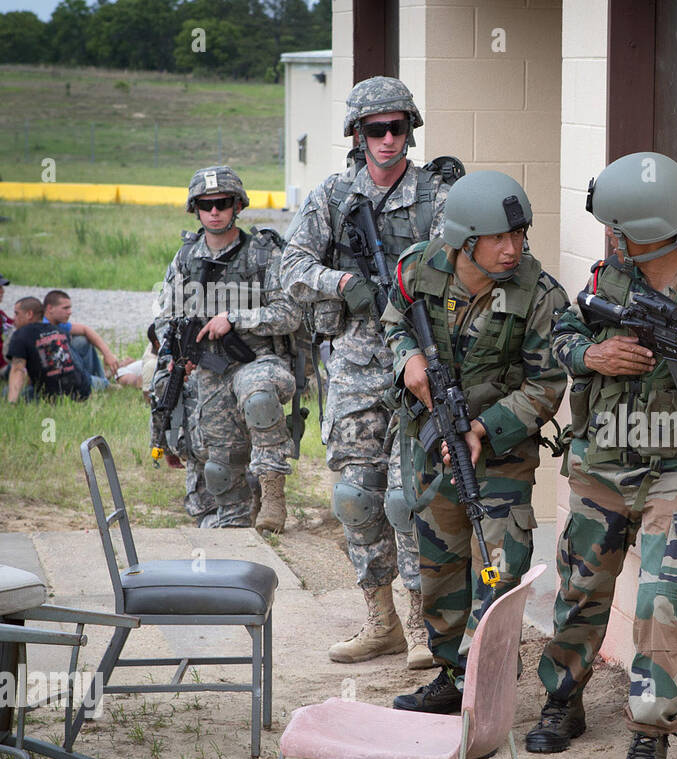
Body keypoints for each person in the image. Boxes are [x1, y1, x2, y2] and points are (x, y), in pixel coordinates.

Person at [526, 152, 677, 759]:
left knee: (659, 602)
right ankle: (562, 698)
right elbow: (561, 336)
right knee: (582, 586)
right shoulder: (606, 280)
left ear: (647, 227)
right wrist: (594, 354)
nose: (610, 236)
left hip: (676, 470)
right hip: (602, 466)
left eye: (617, 226)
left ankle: (650, 744)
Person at [281, 75, 462, 670]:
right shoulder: (334, 196)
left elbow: (452, 269)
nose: (388, 138)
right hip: (356, 365)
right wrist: (343, 283)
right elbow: (291, 267)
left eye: (398, 127)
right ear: (357, 135)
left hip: (414, 358)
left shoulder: (437, 195)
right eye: (375, 128)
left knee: (406, 499)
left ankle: (418, 624)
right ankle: (378, 619)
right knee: (357, 497)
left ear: (410, 129)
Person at [382, 170, 567, 712]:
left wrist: (485, 429)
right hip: (431, 442)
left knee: (499, 569)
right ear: (465, 240)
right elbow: (395, 322)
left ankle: (485, 685)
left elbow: (547, 384)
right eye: (499, 238)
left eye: (520, 234)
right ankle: (448, 674)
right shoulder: (421, 266)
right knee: (439, 563)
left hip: (501, 454)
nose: (514, 248)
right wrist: (407, 359)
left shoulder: (539, 295)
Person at [152, 165, 306, 532]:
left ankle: (272, 493)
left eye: (222, 203)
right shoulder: (185, 259)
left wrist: (234, 319)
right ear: (196, 209)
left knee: (258, 396)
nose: (215, 211)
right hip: (206, 367)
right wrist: (175, 356)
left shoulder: (263, 254)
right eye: (206, 205)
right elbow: (165, 317)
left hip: (257, 359)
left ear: (237, 205)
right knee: (218, 468)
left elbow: (290, 313)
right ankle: (237, 518)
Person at [5, 295, 91, 402]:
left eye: (17, 313)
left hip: (50, 396)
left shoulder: (21, 334)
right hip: (81, 391)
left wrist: (12, 402)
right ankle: (103, 382)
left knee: (5, 392)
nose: (14, 318)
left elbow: (18, 369)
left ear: (29, 314)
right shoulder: (58, 330)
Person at [41, 290, 118, 391]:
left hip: (71, 373)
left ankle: (99, 379)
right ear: (50, 308)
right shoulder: (43, 329)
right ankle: (101, 385)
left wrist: (107, 354)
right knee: (65, 347)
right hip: (58, 377)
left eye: (70, 307)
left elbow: (85, 329)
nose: (70, 312)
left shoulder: (57, 324)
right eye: (65, 308)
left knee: (82, 341)